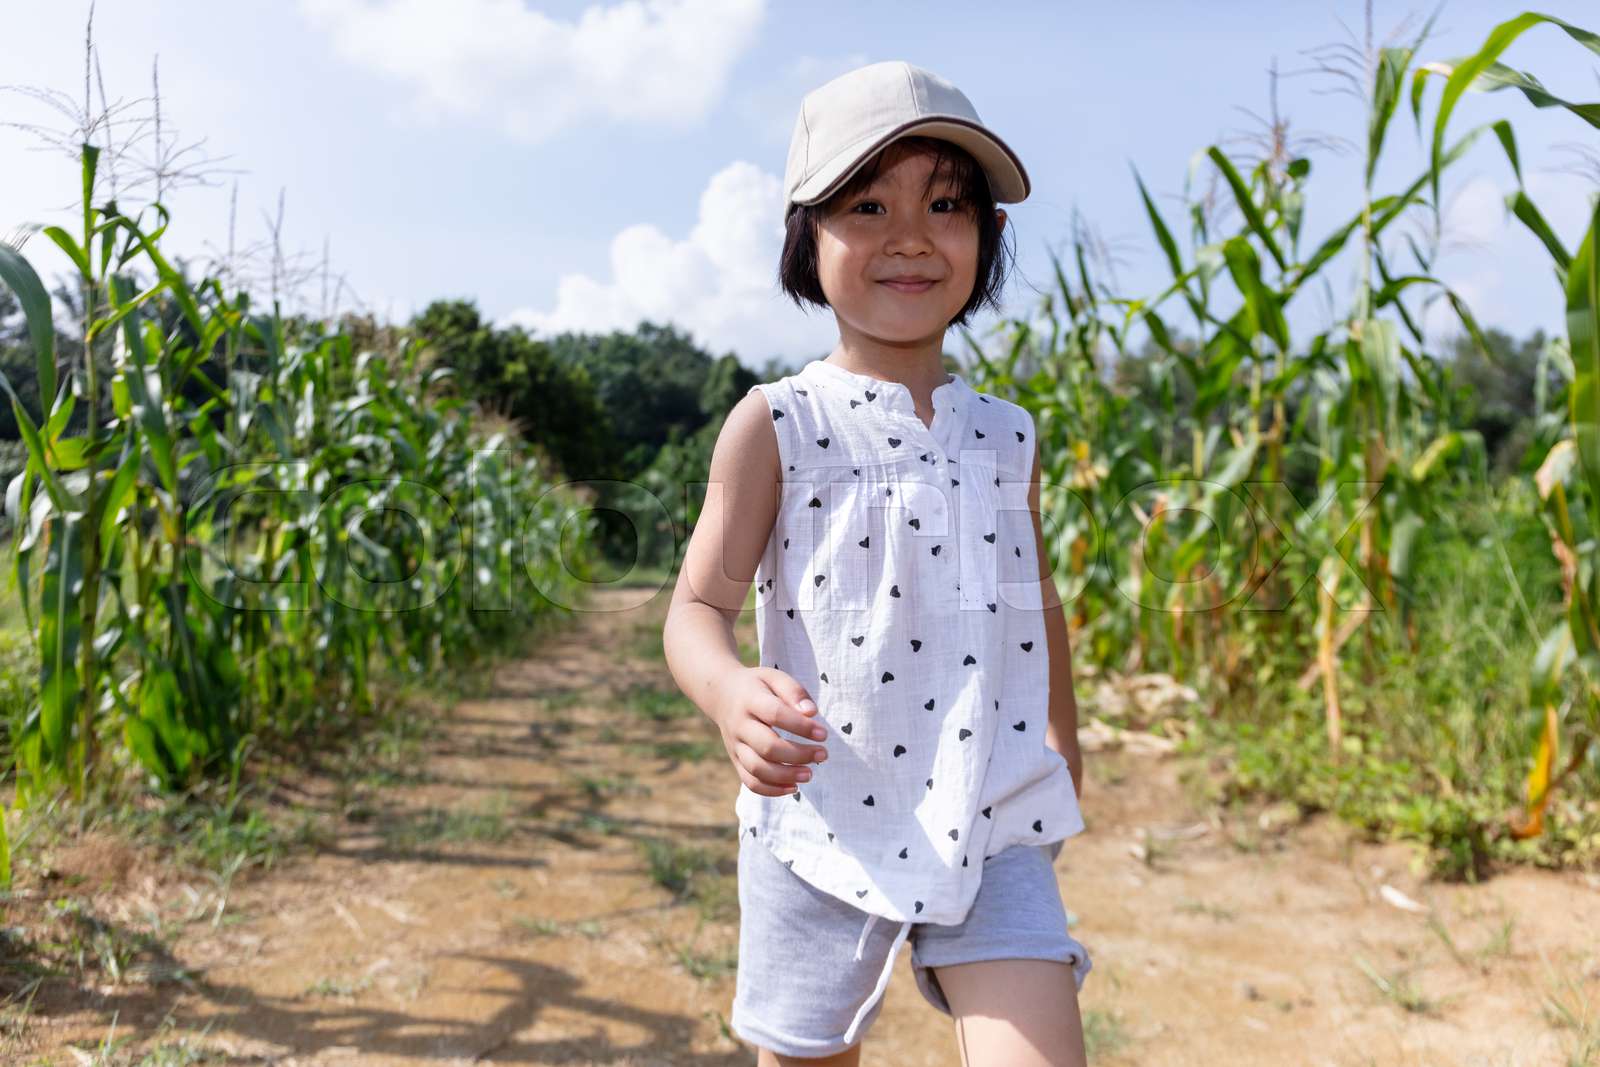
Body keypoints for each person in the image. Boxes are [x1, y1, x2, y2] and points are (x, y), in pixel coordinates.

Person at [662, 59, 1090, 1067]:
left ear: (986, 239)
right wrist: (728, 694)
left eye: (947, 203)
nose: (909, 234)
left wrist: (1063, 743)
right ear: (805, 239)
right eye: (867, 203)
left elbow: (1032, 598)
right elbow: (692, 608)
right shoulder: (778, 423)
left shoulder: (1006, 435)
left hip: (994, 810)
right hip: (822, 818)